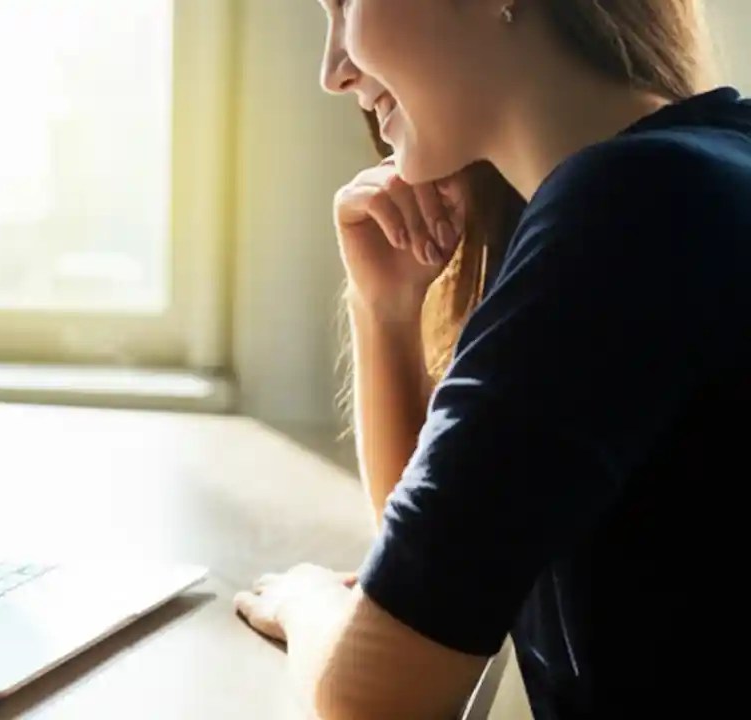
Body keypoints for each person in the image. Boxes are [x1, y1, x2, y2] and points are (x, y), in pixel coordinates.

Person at [232, 0, 751, 717]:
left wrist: (307, 604)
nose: (333, 71)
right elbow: (443, 576)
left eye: (345, 5)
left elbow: (377, 695)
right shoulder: (697, 171)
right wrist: (384, 312)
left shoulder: (627, 211)